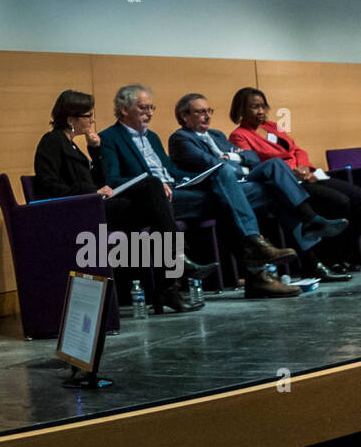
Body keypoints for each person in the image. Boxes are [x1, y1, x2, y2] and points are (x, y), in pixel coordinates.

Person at [96, 85, 301, 299]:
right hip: (154, 200)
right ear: (124, 109)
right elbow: (113, 179)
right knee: (227, 202)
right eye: (143, 107)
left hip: (178, 190)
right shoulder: (109, 138)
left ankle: (257, 264)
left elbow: (171, 170)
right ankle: (257, 266)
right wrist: (152, 182)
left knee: (231, 197)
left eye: (151, 107)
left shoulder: (153, 137)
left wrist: (193, 178)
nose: (149, 112)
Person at [33, 90, 217, 314]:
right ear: (71, 119)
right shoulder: (51, 142)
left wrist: (95, 150)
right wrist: (90, 192)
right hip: (80, 211)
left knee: (156, 201)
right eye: (87, 116)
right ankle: (175, 269)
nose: (92, 121)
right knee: (152, 187)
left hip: (94, 204)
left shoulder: (73, 145)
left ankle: (169, 287)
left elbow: (99, 179)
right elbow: (48, 185)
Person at [167, 93, 351, 282]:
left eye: (209, 111)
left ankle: (311, 221)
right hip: (220, 191)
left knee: (275, 165)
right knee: (279, 194)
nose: (207, 116)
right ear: (184, 116)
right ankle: (310, 261)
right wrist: (236, 160)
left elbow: (253, 157)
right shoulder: (180, 138)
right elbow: (213, 165)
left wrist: (231, 158)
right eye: (200, 112)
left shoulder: (217, 135)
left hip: (244, 182)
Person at [228, 87, 361, 271]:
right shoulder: (238, 136)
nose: (261, 111)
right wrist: (293, 170)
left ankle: (345, 256)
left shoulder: (273, 126)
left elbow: (296, 149)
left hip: (305, 174)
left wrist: (303, 166)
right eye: (255, 107)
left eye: (263, 106)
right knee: (340, 202)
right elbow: (256, 165)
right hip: (286, 184)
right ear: (241, 110)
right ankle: (331, 259)